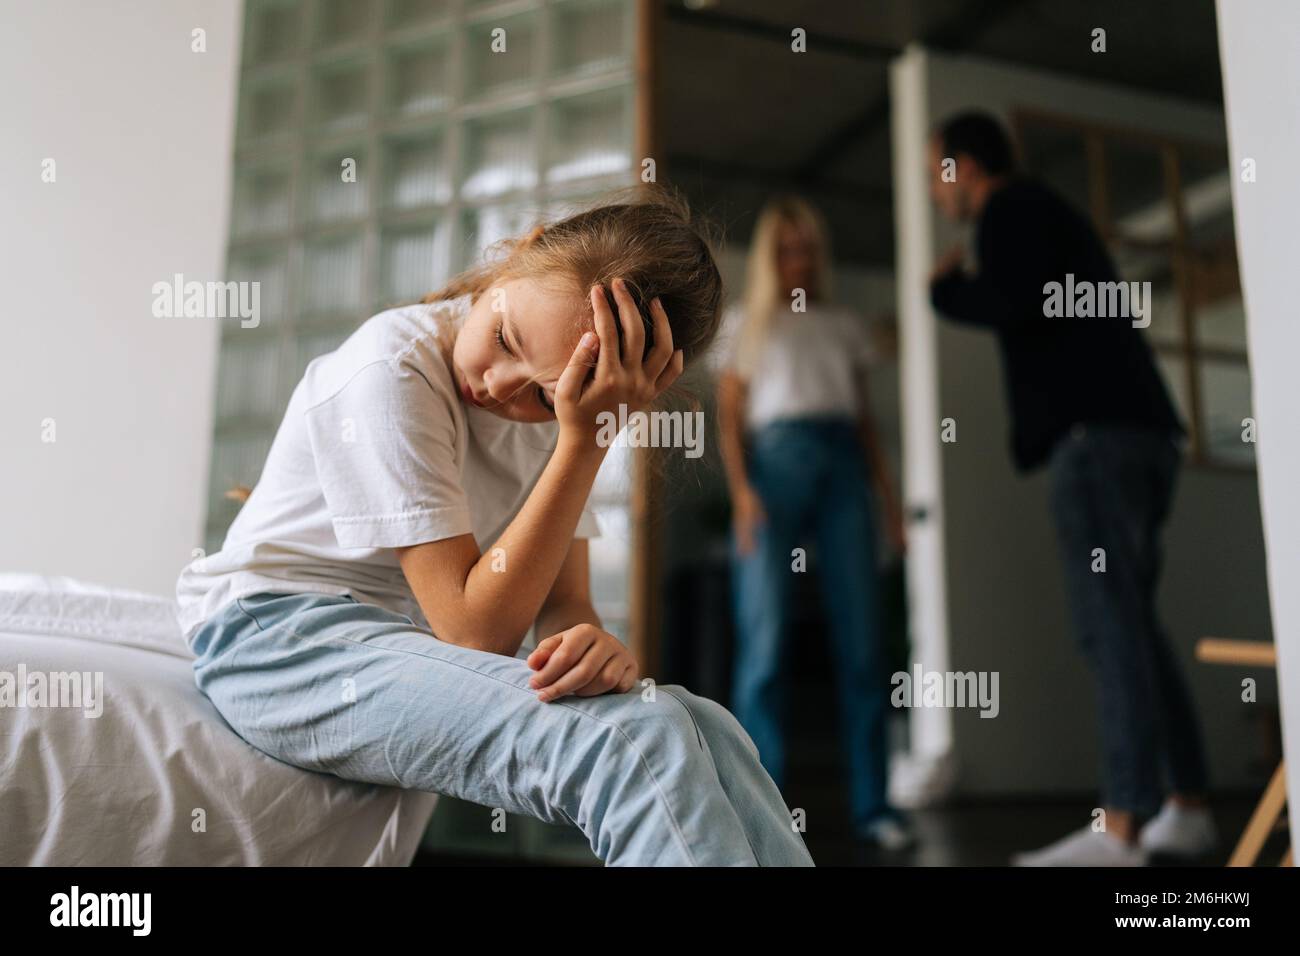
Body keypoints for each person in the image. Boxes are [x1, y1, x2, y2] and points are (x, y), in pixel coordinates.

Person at [176, 184, 816, 867]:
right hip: (273, 638)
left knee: (707, 726)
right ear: (517, 256)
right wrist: (585, 436)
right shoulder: (392, 369)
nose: (499, 386)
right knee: (634, 745)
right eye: (506, 338)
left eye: (544, 393)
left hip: (383, 639)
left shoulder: (563, 408)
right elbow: (473, 631)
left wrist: (590, 643)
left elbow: (564, 604)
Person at [926, 111, 1216, 866]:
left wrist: (945, 291)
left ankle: (1121, 826)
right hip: (1141, 434)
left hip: (1096, 441)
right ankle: (1185, 807)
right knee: (1134, 626)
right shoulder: (1050, 212)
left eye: (937, 173)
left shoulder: (1011, 210)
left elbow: (1012, 302)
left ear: (964, 166)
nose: (936, 191)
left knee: (1109, 627)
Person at [713, 195, 912, 851]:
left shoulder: (843, 324)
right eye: (786, 248)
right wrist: (743, 495)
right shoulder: (747, 323)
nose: (799, 260)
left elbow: (864, 422)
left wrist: (888, 503)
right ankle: (759, 814)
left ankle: (875, 808)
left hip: (843, 469)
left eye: (808, 248)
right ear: (771, 257)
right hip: (775, 466)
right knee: (763, 644)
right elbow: (730, 417)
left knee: (864, 647)